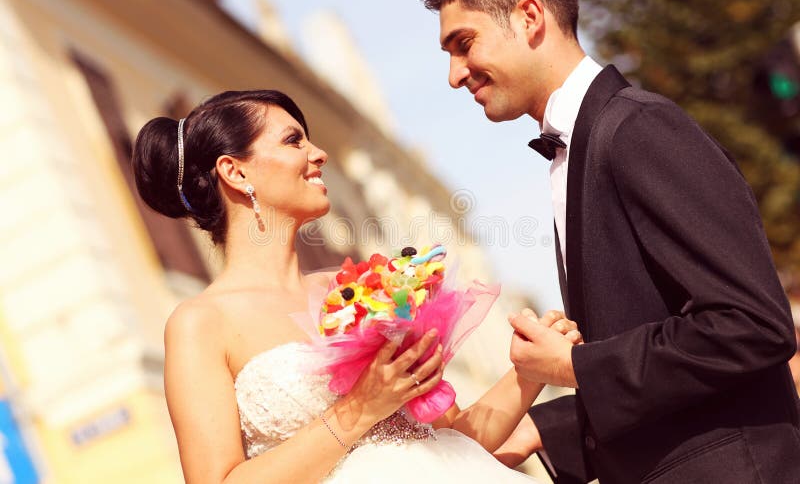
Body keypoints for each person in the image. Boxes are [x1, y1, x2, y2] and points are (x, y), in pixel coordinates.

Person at [423, 0, 800, 482]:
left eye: (464, 44)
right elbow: (659, 341)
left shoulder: (640, 129)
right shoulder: (583, 146)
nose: (454, 75)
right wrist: (546, 427)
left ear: (530, 17)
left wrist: (572, 368)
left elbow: (753, 325)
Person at [132, 89, 582, 483]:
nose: (319, 153)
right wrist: (360, 408)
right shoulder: (201, 323)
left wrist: (527, 372)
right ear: (236, 172)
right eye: (293, 141)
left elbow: (451, 441)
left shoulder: (364, 289)